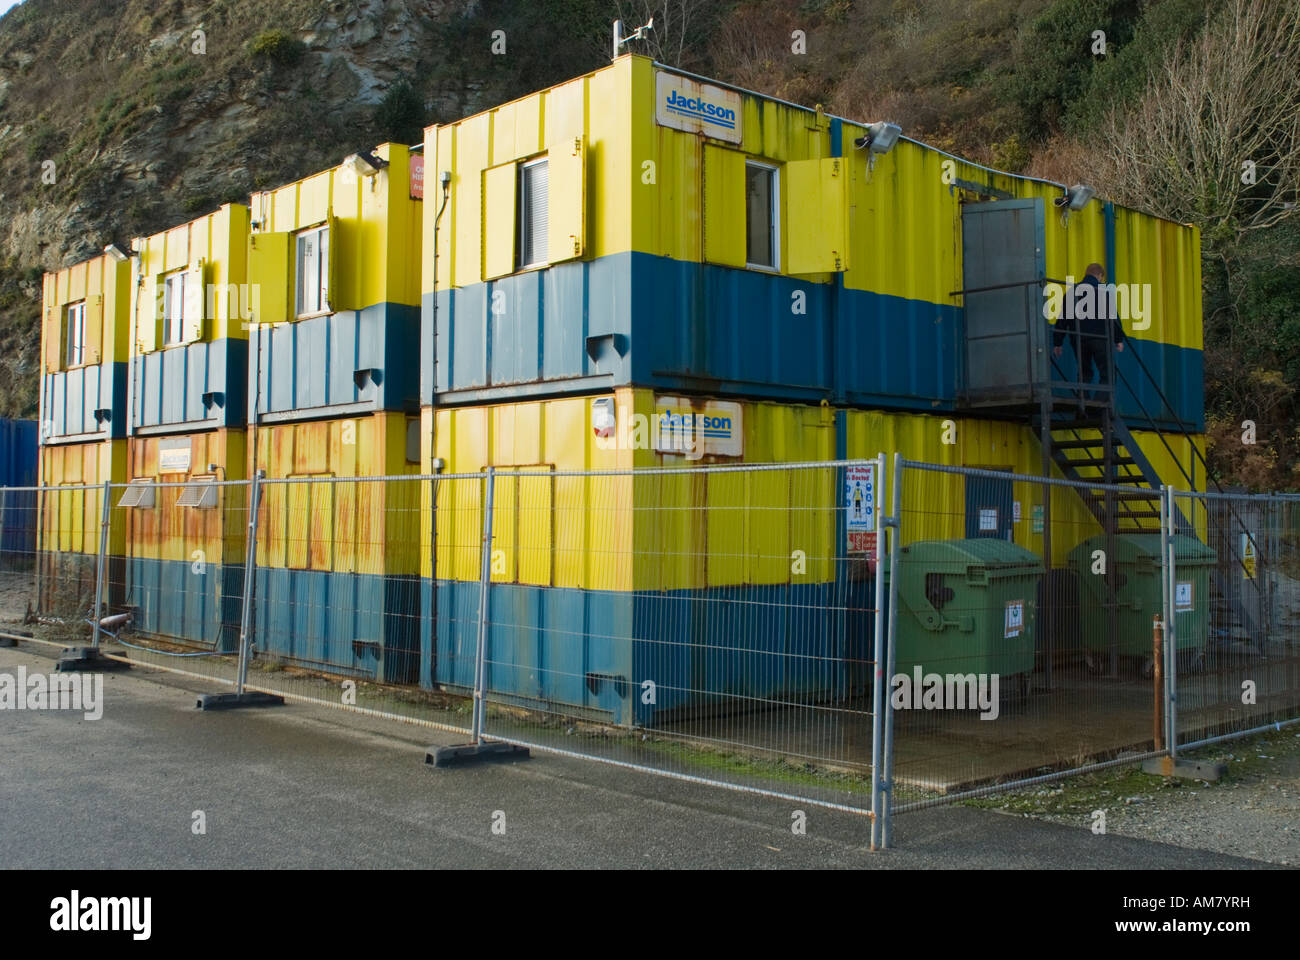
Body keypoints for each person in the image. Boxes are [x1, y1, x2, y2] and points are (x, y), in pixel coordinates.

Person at [1053, 262, 1125, 401]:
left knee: (1084, 373)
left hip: (1078, 340)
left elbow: (1062, 319)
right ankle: (1097, 405)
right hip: (1099, 338)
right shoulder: (1103, 292)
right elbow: (1113, 318)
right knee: (1108, 374)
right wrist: (1118, 339)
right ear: (1100, 276)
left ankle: (1084, 406)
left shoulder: (1072, 292)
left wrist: (1058, 342)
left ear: (1086, 274)